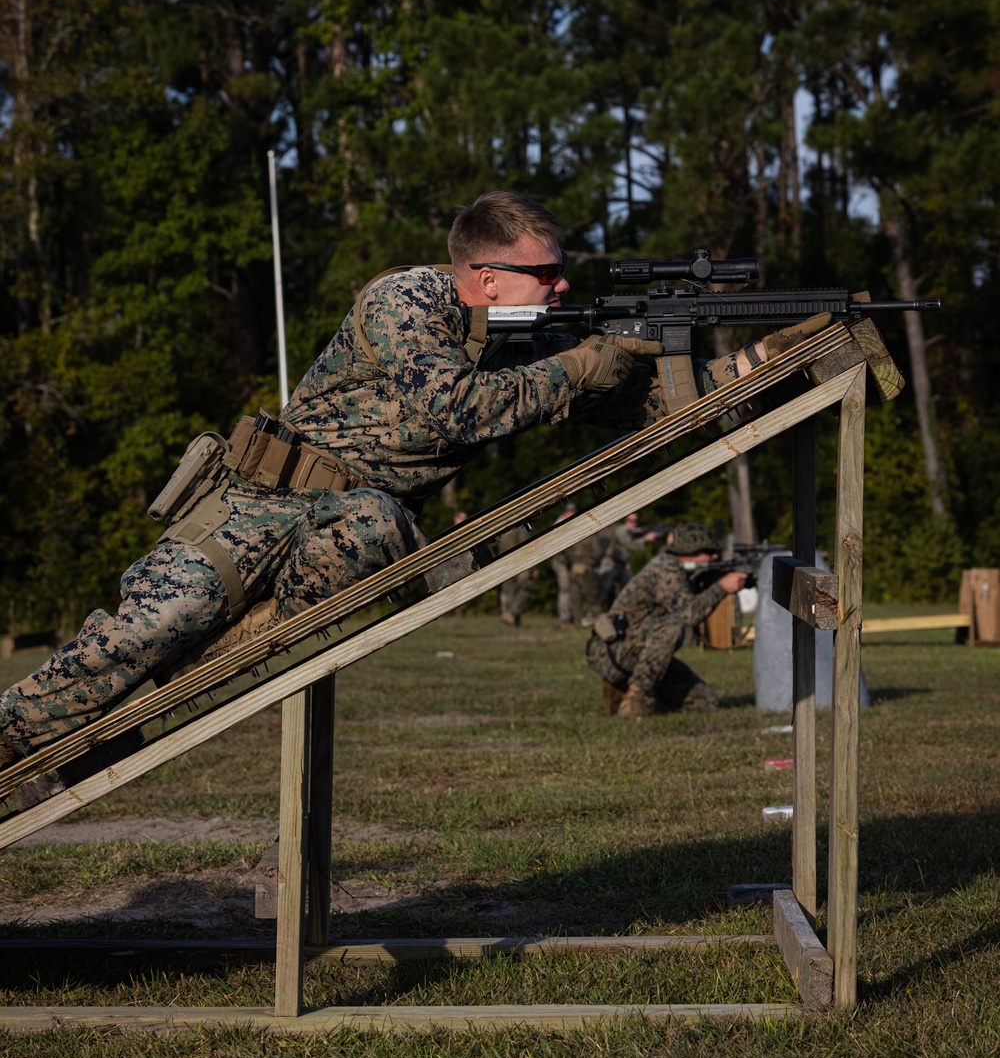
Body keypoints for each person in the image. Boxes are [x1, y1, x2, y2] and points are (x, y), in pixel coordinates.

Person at [0, 190, 775, 771]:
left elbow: (631, 400)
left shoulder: (516, 336)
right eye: (548, 271)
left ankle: (154, 702)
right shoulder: (406, 301)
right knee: (150, 626)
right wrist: (580, 363)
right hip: (257, 504)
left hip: (347, 527)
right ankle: (13, 736)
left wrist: (735, 366)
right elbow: (457, 412)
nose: (563, 286)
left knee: (344, 553)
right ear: (489, 277)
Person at [585, 523, 748, 717]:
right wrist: (722, 586)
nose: (714, 557)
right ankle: (635, 699)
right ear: (690, 551)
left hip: (639, 650)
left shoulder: (682, 570)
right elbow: (689, 614)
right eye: (709, 552)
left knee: (704, 701)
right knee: (674, 625)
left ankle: (642, 698)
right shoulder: (666, 569)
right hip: (613, 652)